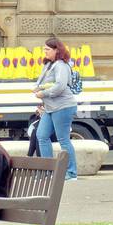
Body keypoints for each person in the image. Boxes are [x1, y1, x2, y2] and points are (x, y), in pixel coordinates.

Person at [33, 37, 79, 181]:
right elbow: (45, 82)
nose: (44, 51)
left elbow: (60, 86)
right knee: (41, 135)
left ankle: (71, 173)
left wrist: (43, 93)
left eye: (47, 49)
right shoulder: (48, 65)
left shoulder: (61, 65)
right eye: (44, 49)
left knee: (63, 139)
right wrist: (38, 90)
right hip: (50, 107)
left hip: (63, 106)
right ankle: (49, 171)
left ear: (56, 50)